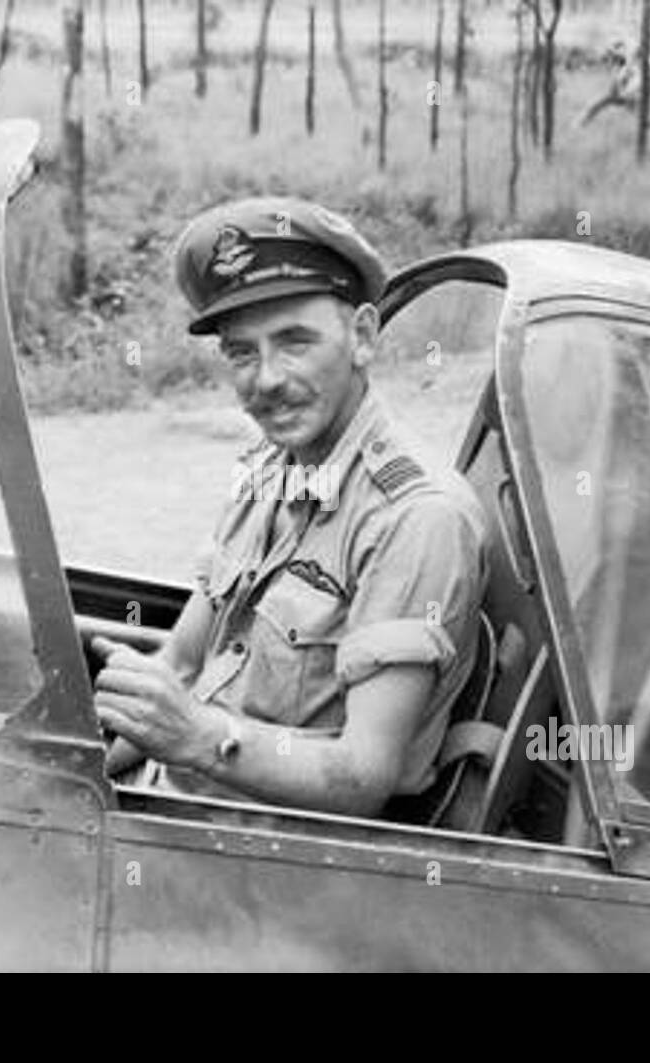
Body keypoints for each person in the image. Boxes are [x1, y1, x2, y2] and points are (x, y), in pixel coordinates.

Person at [92, 197, 489, 819]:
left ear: (361, 336)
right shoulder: (271, 467)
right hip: (169, 797)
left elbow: (363, 776)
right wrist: (76, 768)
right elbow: (184, 660)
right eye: (241, 353)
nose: (266, 380)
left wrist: (196, 737)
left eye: (295, 342)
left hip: (263, 857)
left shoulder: (415, 517)